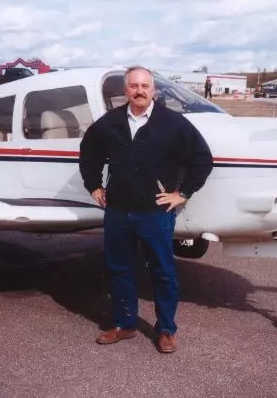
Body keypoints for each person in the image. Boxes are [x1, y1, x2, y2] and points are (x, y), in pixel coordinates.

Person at [79, 66, 213, 353]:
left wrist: (183, 193)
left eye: (145, 86)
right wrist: (94, 186)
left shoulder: (173, 123)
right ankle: (124, 324)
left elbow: (203, 159)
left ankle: (166, 330)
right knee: (119, 269)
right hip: (117, 211)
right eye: (134, 86)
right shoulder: (109, 123)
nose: (139, 91)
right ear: (125, 90)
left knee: (163, 272)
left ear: (154, 90)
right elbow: (88, 153)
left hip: (154, 212)